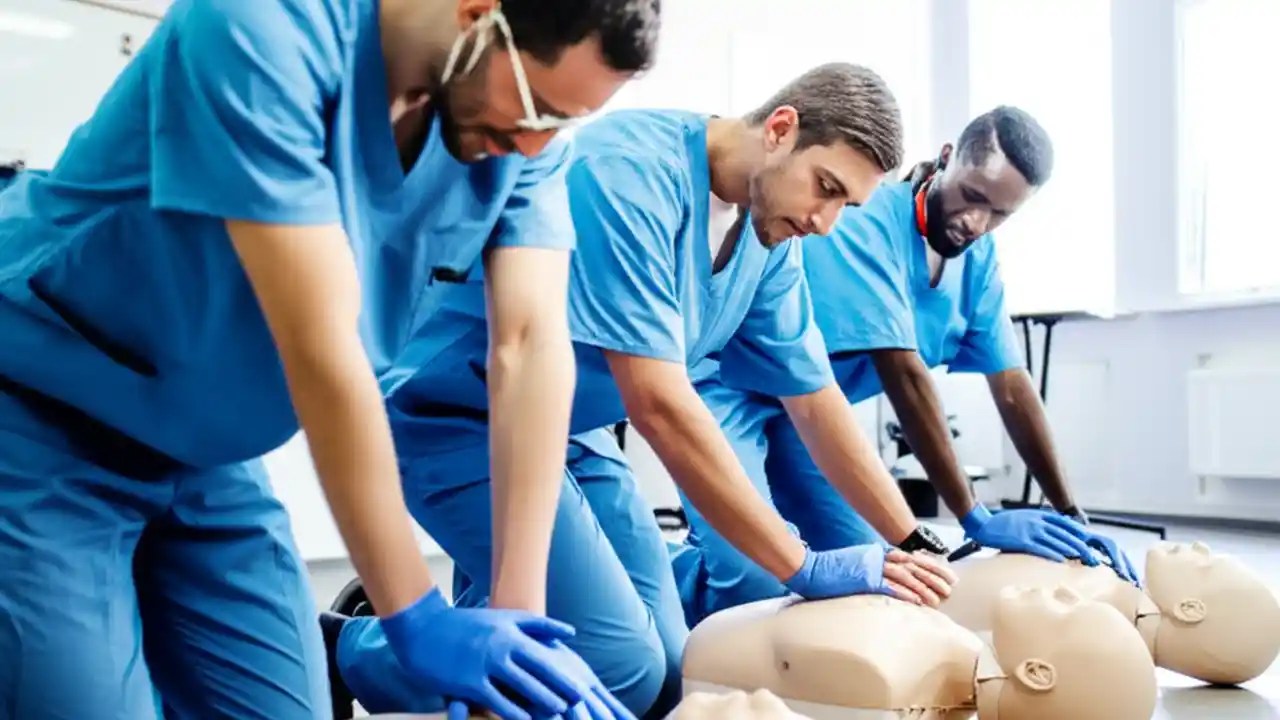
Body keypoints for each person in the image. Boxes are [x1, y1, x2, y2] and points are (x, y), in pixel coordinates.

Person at [0, 0, 660, 718]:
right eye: (538, 109)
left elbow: (531, 347)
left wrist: (521, 618)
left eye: (564, 123)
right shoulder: (262, 28)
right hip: (42, 416)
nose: (538, 145)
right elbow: (322, 346)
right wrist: (416, 613)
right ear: (478, 14)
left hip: (211, 453)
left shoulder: (517, 142)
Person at [327, 61, 957, 720]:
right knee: (616, 665)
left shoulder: (767, 235)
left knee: (669, 674)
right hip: (454, 418)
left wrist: (917, 544)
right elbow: (658, 404)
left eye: (845, 206)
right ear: (780, 128)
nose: (825, 222)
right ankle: (352, 646)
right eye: (825, 188)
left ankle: (480, 637)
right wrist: (802, 565)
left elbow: (814, 398)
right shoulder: (631, 174)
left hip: (569, 429)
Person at [670, 106, 1138, 628]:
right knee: (753, 580)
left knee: (881, 575)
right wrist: (972, 516)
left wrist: (1072, 516)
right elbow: (905, 377)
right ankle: (666, 568)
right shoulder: (870, 215)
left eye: (998, 214)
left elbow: (1011, 386)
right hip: (727, 388)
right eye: (973, 197)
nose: (975, 222)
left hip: (812, 417)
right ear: (945, 161)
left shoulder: (976, 257)